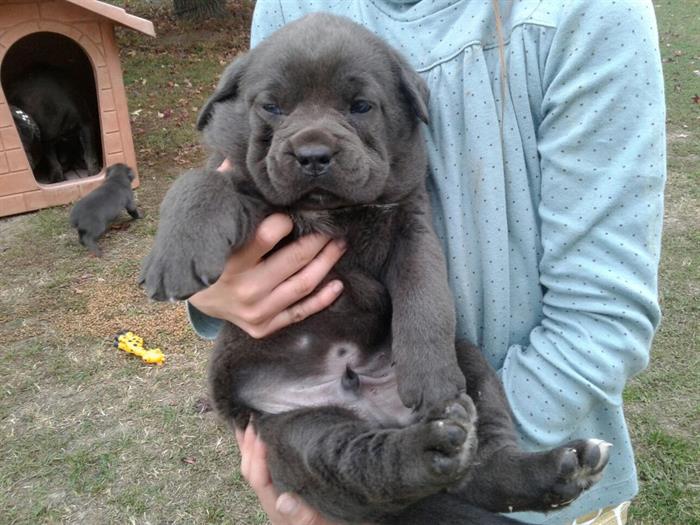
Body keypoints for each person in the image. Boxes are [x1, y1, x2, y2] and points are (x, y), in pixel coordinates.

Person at [187, 1, 666, 523]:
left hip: (510, 462)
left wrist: (441, 469)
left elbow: (600, 317)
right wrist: (211, 283)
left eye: (359, 106)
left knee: (461, 368)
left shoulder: (586, 12)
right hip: (330, 424)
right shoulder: (292, 7)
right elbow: (240, 181)